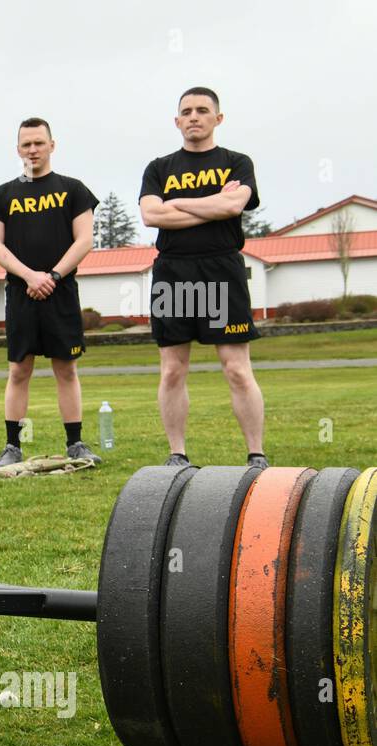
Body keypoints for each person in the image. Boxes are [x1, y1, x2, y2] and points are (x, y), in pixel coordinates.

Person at [139, 86, 266, 468]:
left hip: (221, 268)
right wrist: (213, 206)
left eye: (202, 110)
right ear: (177, 121)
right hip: (172, 271)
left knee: (237, 369)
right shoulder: (159, 168)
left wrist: (175, 203)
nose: (194, 116)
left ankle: (256, 454)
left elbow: (233, 204)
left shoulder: (236, 162)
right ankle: (177, 454)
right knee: (173, 369)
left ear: (218, 118)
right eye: (187, 111)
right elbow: (151, 216)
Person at [0, 118, 100, 468]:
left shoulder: (73, 190)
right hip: (21, 296)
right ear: (18, 149)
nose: (32, 149)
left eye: (38, 142)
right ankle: (12, 446)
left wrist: (51, 275)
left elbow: (85, 240)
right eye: (26, 144)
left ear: (52, 145)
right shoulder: (2, 195)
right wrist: (30, 277)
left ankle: (76, 443)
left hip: (60, 293)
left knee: (66, 370)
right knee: (19, 371)